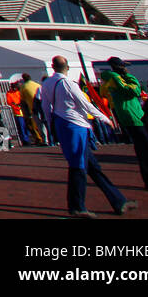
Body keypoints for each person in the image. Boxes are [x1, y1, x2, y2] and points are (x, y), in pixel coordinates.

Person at [40, 56, 135, 218]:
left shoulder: (47, 84)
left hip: (61, 123)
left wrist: (51, 125)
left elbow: (45, 107)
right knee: (78, 165)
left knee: (92, 167)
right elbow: (85, 104)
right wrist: (105, 118)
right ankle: (77, 206)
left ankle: (118, 201)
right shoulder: (69, 84)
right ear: (67, 67)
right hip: (75, 124)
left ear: (53, 67)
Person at [99, 57, 148, 192]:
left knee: (141, 149)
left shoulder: (108, 80)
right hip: (132, 114)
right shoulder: (116, 78)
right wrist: (129, 77)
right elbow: (135, 91)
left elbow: (104, 93)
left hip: (124, 114)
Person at [19, 73, 46, 145]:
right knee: (44, 124)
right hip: (42, 106)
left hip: (32, 108)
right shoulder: (37, 84)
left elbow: (23, 101)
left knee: (34, 125)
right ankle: (47, 139)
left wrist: (25, 113)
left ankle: (39, 139)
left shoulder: (23, 87)